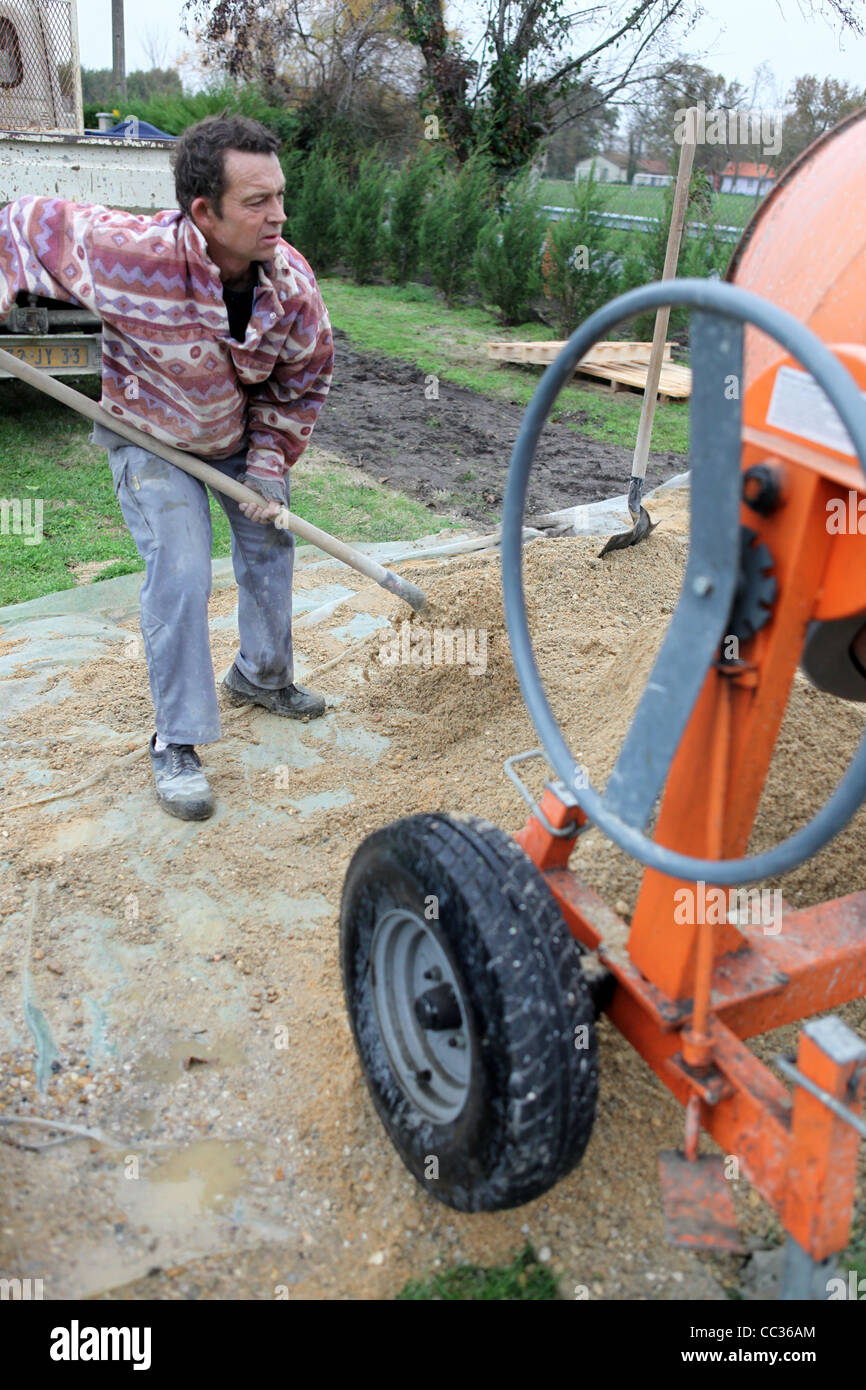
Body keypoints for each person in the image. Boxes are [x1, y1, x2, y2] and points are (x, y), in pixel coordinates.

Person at [0, 115, 335, 820]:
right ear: (203, 210)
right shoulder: (130, 253)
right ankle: (176, 740)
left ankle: (261, 677)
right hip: (148, 435)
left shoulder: (293, 288)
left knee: (271, 540)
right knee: (181, 565)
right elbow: (23, 224)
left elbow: (299, 383)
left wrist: (270, 463)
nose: (279, 215)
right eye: (257, 202)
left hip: (236, 437)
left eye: (280, 196)